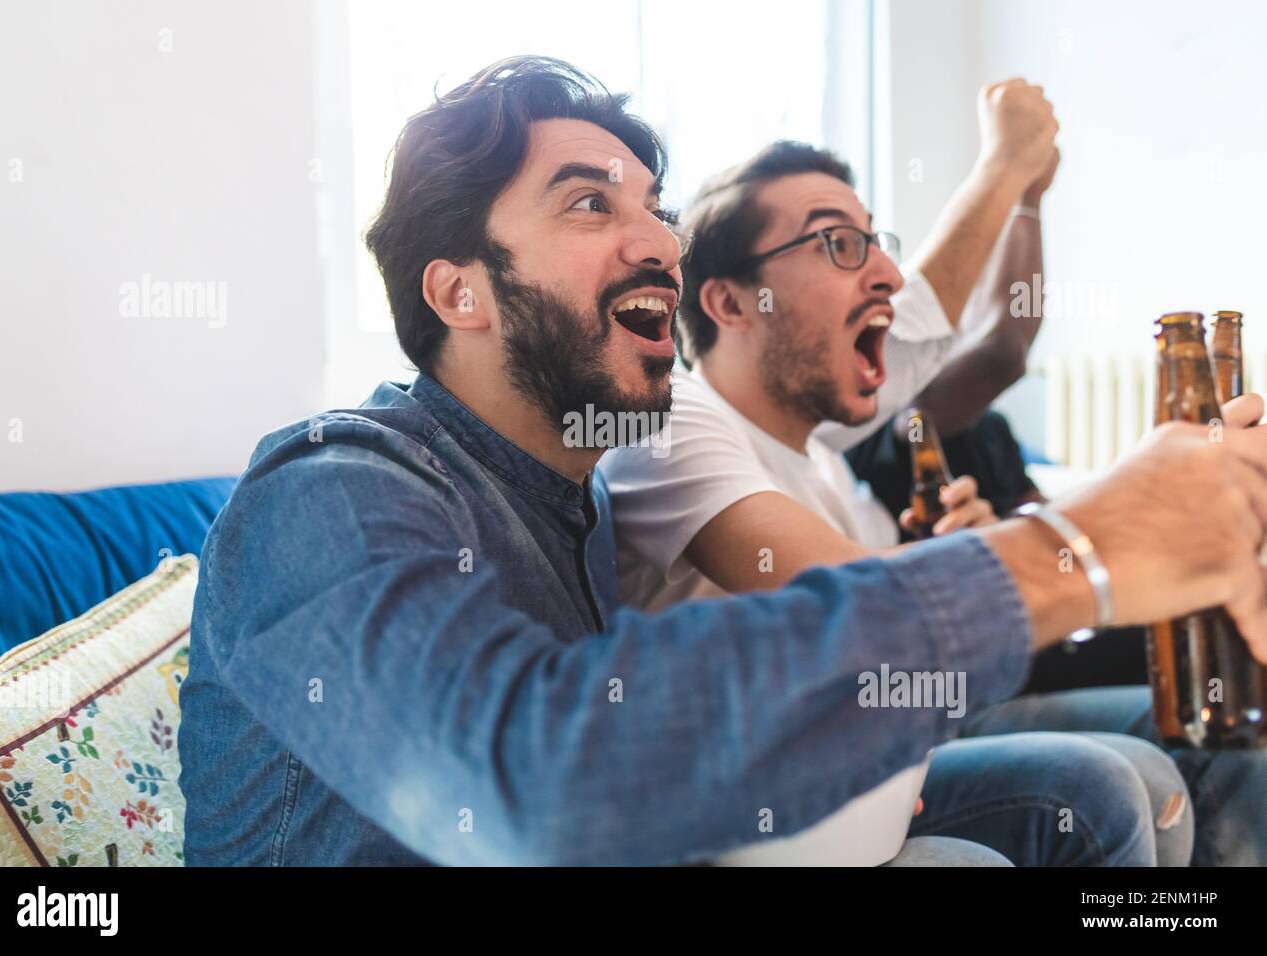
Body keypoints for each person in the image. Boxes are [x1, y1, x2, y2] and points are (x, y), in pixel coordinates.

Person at [179, 57, 1267, 867]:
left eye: (651, 206)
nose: (656, 238)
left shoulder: (583, 494)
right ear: (457, 290)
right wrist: (1070, 548)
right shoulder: (331, 488)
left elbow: (921, 349)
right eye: (590, 204)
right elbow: (526, 776)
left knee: (1056, 811)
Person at [599, 125, 1266, 865]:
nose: (886, 272)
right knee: (1102, 784)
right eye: (836, 244)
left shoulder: (824, 451)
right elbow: (857, 606)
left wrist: (957, 555)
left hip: (893, 745)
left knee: (1186, 745)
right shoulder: (673, 416)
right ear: (728, 302)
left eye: (874, 240)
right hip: (761, 802)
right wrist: (1114, 517)